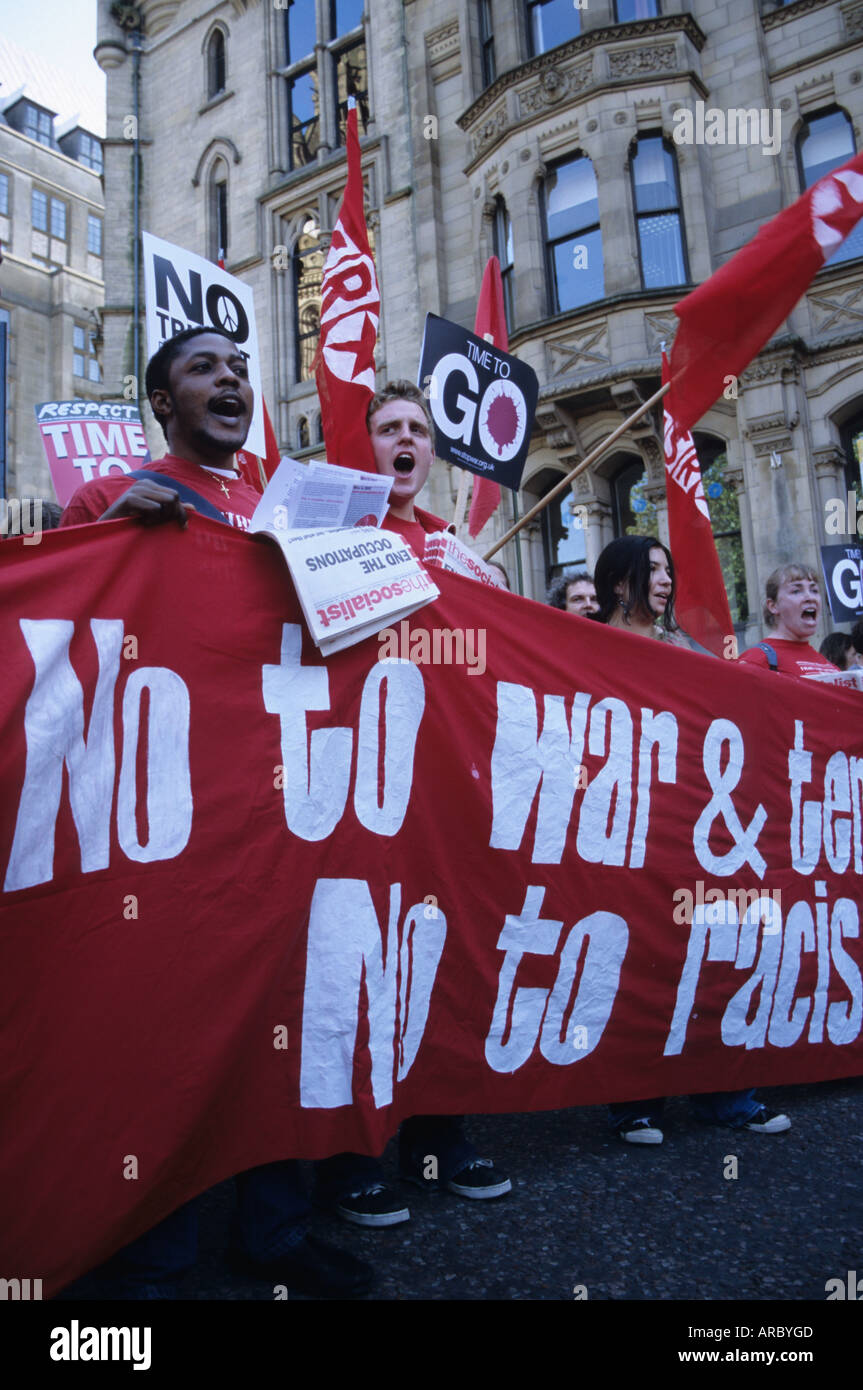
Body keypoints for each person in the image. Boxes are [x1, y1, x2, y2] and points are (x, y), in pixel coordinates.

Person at [60, 326, 373, 1299]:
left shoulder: (288, 506)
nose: (230, 377)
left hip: (279, 814)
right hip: (165, 818)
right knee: (168, 1033)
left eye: (240, 367)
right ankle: (153, 1260)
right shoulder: (109, 499)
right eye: (203, 367)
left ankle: (273, 1233)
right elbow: (56, 634)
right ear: (163, 403)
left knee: (282, 1014)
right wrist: (108, 536)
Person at [314, 381, 512, 1226]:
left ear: (432, 453)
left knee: (444, 959)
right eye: (388, 427)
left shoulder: (465, 554)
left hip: (450, 799)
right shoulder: (333, 538)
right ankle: (349, 1157)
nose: (404, 439)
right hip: (360, 792)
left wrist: (498, 600)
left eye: (416, 430)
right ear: (368, 446)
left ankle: (439, 1142)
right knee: (357, 970)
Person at [593, 535, 791, 1144]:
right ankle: (633, 1105)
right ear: (620, 583)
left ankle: (725, 1095)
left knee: (706, 957)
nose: (664, 579)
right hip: (622, 827)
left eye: (668, 570)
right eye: (650, 570)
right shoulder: (588, 642)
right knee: (632, 962)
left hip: (689, 824)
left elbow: (731, 709)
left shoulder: (683, 644)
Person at [738, 563, 837, 680]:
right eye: (796, 591)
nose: (810, 597)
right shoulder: (755, 661)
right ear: (773, 606)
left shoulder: (828, 665)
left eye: (814, 590)